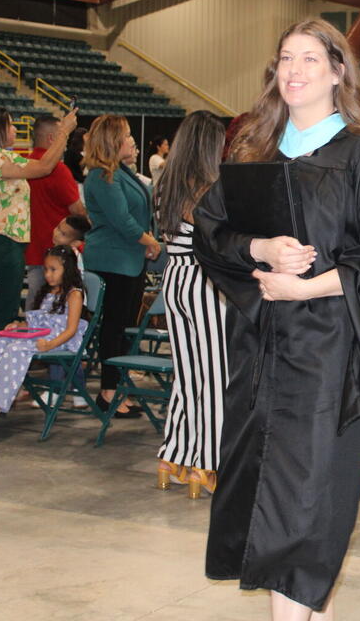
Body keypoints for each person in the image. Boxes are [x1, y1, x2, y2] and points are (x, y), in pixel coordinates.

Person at [194, 18, 360, 619]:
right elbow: (212, 232)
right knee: (267, 493)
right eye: (285, 59)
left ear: (338, 72)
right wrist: (260, 251)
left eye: (309, 60)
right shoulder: (255, 152)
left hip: (330, 352)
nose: (293, 71)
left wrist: (305, 288)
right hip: (261, 351)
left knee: (308, 499)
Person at [154, 111, 228, 499]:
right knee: (215, 377)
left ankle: (174, 456)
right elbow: (215, 234)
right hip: (204, 280)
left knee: (188, 376)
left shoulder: (164, 180)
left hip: (175, 276)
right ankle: (209, 464)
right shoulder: (202, 186)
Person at [0, 107, 76, 347]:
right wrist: (64, 133)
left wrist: (63, 135)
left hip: (4, 242)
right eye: (9, 124)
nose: (15, 129)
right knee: (2, 312)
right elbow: (43, 167)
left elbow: (44, 165)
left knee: (2, 309)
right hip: (2, 242)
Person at [0, 245, 87, 422]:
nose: (47, 274)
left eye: (53, 270)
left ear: (68, 269)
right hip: (39, 337)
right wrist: (19, 325)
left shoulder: (74, 294)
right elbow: (36, 322)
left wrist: (51, 344)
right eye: (46, 269)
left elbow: (71, 329)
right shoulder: (47, 291)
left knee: (16, 350)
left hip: (60, 341)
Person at [82, 115, 160, 418]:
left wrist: (147, 240)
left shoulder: (121, 172)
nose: (132, 141)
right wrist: (150, 241)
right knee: (114, 327)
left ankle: (118, 386)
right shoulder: (103, 176)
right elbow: (123, 221)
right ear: (114, 141)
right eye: (127, 136)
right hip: (114, 260)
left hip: (130, 259)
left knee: (124, 326)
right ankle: (108, 391)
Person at [24, 115, 86, 311]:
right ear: (53, 139)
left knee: (34, 307)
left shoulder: (22, 165)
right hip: (57, 254)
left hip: (31, 250)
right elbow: (77, 211)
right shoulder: (58, 171)